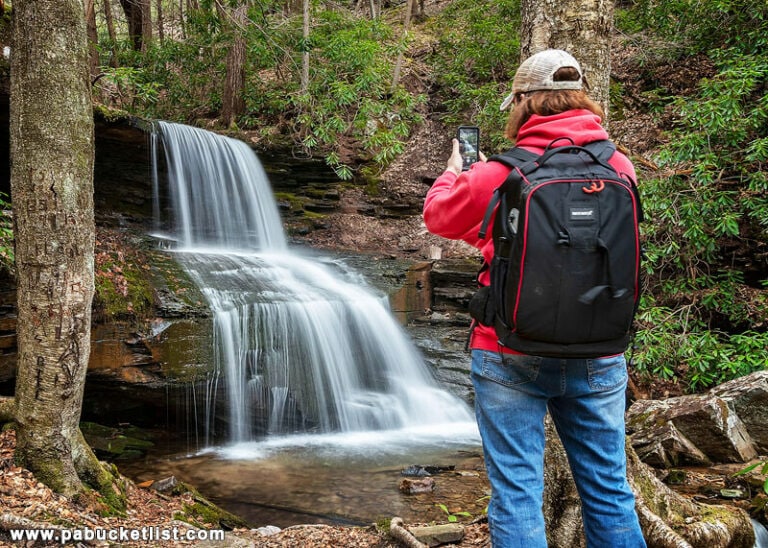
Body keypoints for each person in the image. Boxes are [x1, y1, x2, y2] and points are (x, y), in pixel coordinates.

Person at [423, 49, 647, 547]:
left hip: (509, 349)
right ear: (582, 99)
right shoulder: (619, 166)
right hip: (599, 350)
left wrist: (455, 173)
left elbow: (439, 217)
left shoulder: (501, 173)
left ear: (523, 102)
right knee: (610, 490)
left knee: (517, 493)